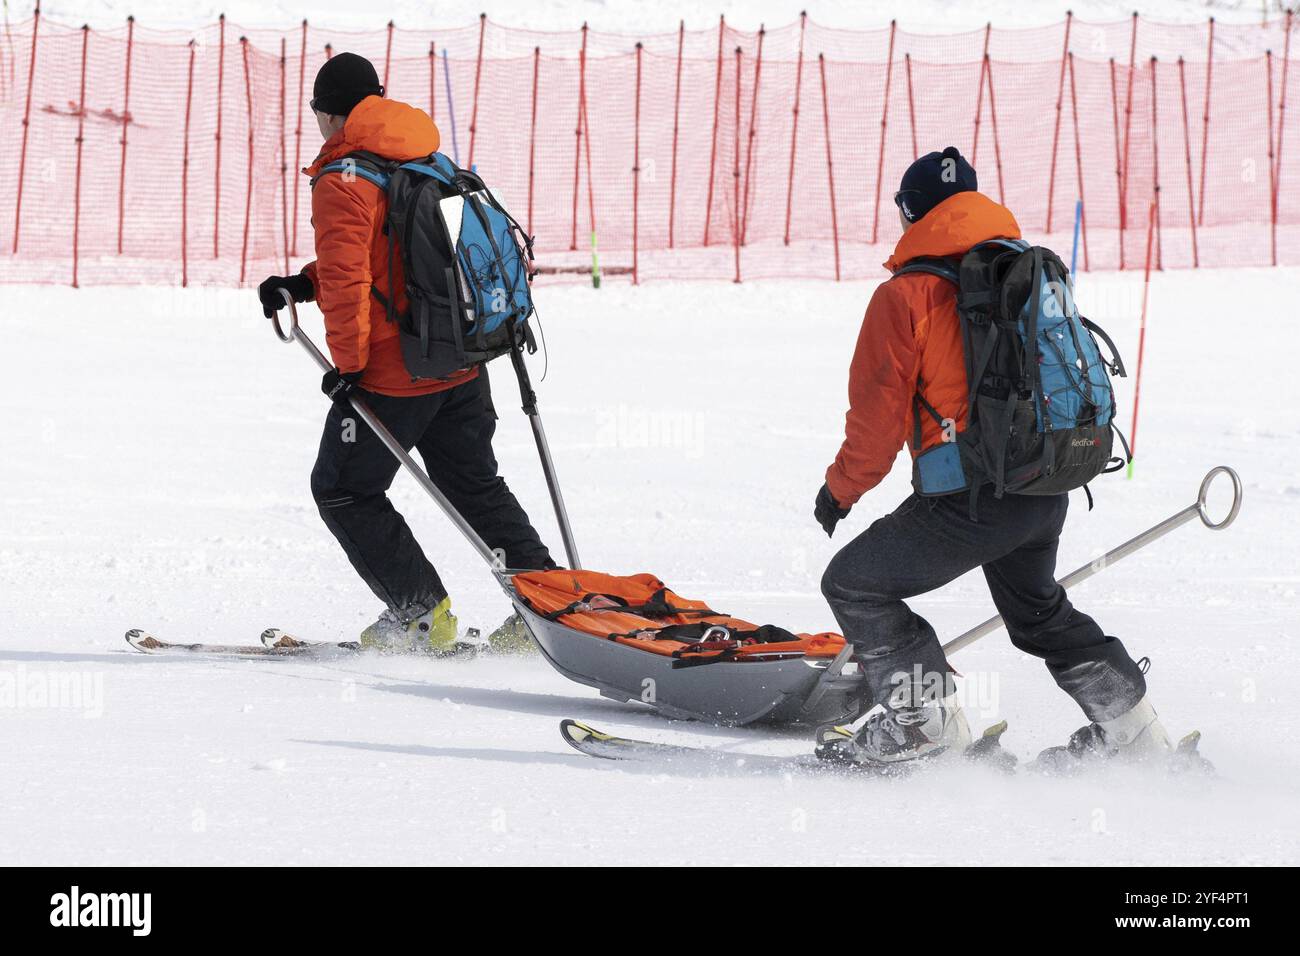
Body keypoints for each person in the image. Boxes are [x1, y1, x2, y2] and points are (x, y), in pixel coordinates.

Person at [814, 146, 1170, 767]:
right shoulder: (1024, 268)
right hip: (1045, 482)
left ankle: (923, 725)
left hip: (974, 499)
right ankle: (1134, 732)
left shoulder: (906, 296)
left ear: (912, 212)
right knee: (1035, 612)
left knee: (854, 583)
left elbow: (876, 421)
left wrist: (840, 491)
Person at [257, 52, 552, 654]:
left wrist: (349, 370)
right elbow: (379, 261)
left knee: (343, 489)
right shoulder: (426, 157)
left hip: (396, 374)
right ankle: (541, 609)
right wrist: (301, 284)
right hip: (462, 358)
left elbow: (349, 284)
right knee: (474, 485)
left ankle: (421, 615)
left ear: (328, 113)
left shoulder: (343, 177)